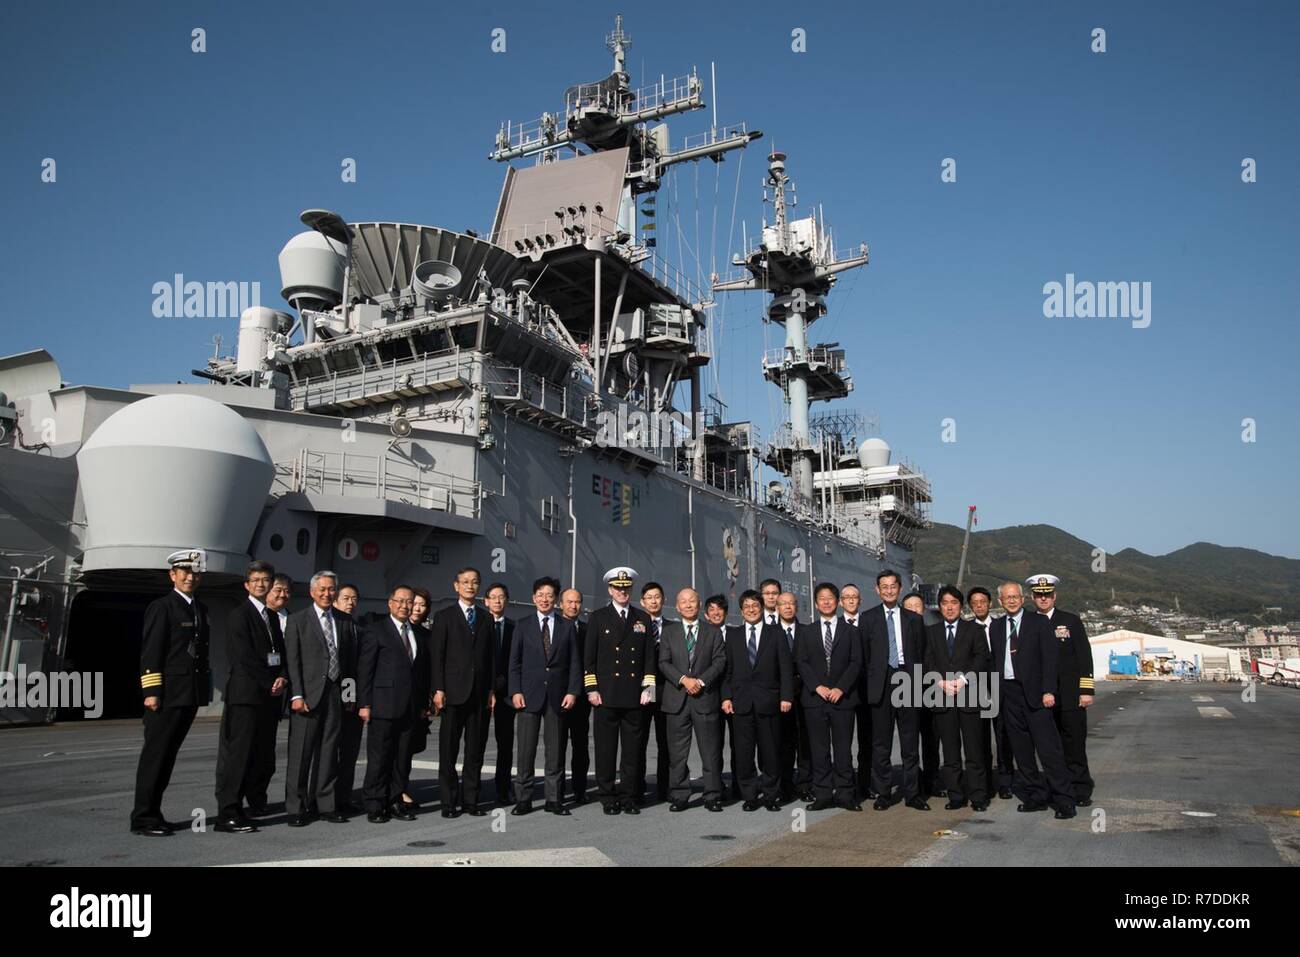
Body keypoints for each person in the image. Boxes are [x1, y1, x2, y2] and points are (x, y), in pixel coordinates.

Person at [130, 549, 212, 836]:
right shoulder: (162, 607)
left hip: (188, 695)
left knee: (168, 757)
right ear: (172, 575)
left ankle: (154, 812)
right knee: (156, 756)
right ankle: (143, 817)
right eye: (184, 572)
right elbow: (151, 651)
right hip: (165, 695)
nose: (190, 577)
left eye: (195, 572)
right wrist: (151, 691)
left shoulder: (199, 609)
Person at [989, 581, 1076, 819]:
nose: (1011, 600)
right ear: (1000, 601)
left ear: (1023, 598)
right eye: (1007, 597)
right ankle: (1035, 796)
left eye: (1015, 596)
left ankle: (1064, 799)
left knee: (1049, 750)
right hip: (1009, 694)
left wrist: (1049, 690)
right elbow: (994, 661)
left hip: (1036, 694)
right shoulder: (995, 627)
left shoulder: (1038, 622)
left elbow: (1050, 658)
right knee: (1022, 752)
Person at [213, 560, 284, 833]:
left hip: (267, 696)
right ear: (247, 584)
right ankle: (227, 812)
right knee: (238, 755)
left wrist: (282, 677)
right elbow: (243, 657)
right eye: (256, 580)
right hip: (246, 696)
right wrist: (270, 681)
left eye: (266, 580)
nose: (261, 584)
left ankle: (243, 806)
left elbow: (279, 655)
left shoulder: (272, 617)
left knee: (259, 756)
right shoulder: (239, 615)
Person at [283, 570, 355, 826]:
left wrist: (349, 696)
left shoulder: (345, 622)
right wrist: (297, 694)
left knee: (328, 752)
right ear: (312, 592)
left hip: (335, 695)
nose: (327, 593)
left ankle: (325, 804)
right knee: (300, 754)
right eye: (322, 589)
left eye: (331, 589)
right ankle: (296, 807)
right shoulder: (298, 621)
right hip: (308, 697)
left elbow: (350, 663)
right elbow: (293, 661)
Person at [584, 567, 656, 815]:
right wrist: (591, 688)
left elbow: (649, 658)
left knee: (632, 751)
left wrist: (650, 689)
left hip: (635, 696)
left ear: (631, 590)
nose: (622, 592)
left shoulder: (642, 618)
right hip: (605, 695)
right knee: (606, 749)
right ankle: (607, 796)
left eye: (626, 588)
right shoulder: (598, 617)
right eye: (617, 588)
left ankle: (629, 796)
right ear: (610, 590)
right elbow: (589, 658)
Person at [509, 577, 581, 815]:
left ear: (556, 600)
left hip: (558, 696)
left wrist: (572, 691)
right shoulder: (522, 625)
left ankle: (554, 799)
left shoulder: (567, 627)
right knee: (525, 750)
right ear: (533, 598)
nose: (544, 599)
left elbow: (574, 664)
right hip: (528, 695)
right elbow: (514, 663)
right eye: (540, 594)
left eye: (549, 595)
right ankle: (523, 799)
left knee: (556, 750)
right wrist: (515, 691)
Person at [357, 585, 427, 823]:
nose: (405, 606)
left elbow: (419, 671)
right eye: (400, 601)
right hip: (383, 704)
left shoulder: (417, 632)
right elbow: (365, 670)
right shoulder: (376, 630)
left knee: (402, 757)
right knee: (379, 756)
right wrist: (364, 703)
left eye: (409, 602)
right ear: (390, 603)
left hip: (410, 706)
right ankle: (375, 803)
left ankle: (395, 799)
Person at [862, 569, 929, 810]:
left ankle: (912, 794)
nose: (889, 590)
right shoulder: (868, 619)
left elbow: (921, 654)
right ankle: (883, 793)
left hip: (907, 678)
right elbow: (865, 656)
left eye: (893, 586)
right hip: (881, 682)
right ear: (877, 590)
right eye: (884, 586)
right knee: (881, 743)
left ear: (900, 588)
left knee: (910, 742)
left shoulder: (914, 619)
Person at [430, 567, 495, 817]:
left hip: (478, 694)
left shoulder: (485, 617)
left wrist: (490, 689)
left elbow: (490, 658)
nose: (470, 586)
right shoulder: (444, 616)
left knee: (475, 751)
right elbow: (438, 656)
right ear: (456, 586)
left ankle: (471, 801)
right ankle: (448, 802)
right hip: (452, 692)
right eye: (465, 582)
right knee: (448, 750)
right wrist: (438, 688)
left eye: (474, 582)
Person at [722, 589, 792, 811]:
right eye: (746, 607)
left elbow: (786, 669)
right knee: (743, 753)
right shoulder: (733, 635)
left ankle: (771, 795)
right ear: (741, 611)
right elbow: (728, 671)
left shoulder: (776, 633)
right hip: (741, 703)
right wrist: (726, 697)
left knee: (770, 751)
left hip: (769, 702)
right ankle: (750, 795)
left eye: (755, 606)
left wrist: (786, 697)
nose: (751, 610)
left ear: (762, 608)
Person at [1028, 574, 1095, 806]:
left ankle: (1080, 789)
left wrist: (1086, 691)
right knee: (1049, 749)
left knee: (1074, 746)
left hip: (1070, 697)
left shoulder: (1071, 621)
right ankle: (1057, 788)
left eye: (1047, 595)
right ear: (1032, 597)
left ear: (1054, 596)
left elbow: (1084, 657)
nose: (1043, 599)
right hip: (1042, 698)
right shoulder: (1027, 623)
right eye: (1039, 595)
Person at [795, 582, 862, 811]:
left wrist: (841, 688)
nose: (826, 602)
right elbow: (801, 662)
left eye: (830, 598)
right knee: (819, 749)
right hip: (815, 700)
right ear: (815, 603)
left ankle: (845, 793)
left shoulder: (852, 631)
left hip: (842, 699)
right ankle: (822, 793)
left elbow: (856, 662)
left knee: (843, 749)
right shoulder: (806, 631)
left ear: (838, 602)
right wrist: (817, 687)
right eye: (821, 598)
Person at [923, 586, 990, 811]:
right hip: (943, 698)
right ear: (939, 606)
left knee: (974, 751)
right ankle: (956, 796)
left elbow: (982, 659)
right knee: (950, 753)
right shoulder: (931, 632)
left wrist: (963, 679)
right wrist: (940, 682)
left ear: (961, 606)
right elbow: (927, 662)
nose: (949, 607)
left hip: (969, 696)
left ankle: (979, 796)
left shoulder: (974, 630)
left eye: (954, 602)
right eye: (945, 603)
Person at [659, 588, 726, 811]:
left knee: (710, 751)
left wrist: (700, 681)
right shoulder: (668, 632)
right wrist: (683, 680)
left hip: (704, 698)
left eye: (692, 601)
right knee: (677, 753)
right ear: (677, 607)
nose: (688, 605)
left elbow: (719, 661)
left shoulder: (713, 632)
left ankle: (713, 795)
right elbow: (664, 662)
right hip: (677, 699)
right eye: (683, 602)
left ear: (699, 606)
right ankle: (679, 794)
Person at [967, 586, 1010, 800]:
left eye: (983, 601)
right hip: (979, 689)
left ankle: (1005, 781)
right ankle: (985, 783)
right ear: (970, 606)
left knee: (1003, 735)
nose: (979, 605)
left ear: (990, 603)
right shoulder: (967, 629)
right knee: (981, 738)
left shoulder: (1001, 626)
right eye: (974, 603)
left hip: (1000, 686)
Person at [635, 581, 671, 804]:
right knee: (638, 740)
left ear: (663, 600)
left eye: (657, 596)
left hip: (666, 688)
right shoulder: (635, 624)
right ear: (642, 601)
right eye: (649, 597)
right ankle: (637, 787)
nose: (654, 601)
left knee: (665, 741)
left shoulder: (672, 627)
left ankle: (665, 787)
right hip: (642, 689)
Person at [775, 591, 812, 802]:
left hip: (805, 695)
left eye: (791, 603)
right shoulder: (771, 633)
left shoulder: (807, 631)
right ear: (777, 608)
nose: (788, 607)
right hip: (780, 697)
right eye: (783, 604)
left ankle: (805, 784)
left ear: (796, 606)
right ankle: (785, 786)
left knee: (805, 743)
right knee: (783, 743)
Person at [839, 582, 875, 801]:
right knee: (842, 742)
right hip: (842, 692)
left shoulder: (869, 624)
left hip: (865, 690)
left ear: (860, 601)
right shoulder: (835, 625)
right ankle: (844, 783)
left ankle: (865, 783)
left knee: (867, 740)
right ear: (841, 601)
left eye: (855, 597)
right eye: (847, 597)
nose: (851, 600)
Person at [332, 582, 365, 816]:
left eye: (354, 598)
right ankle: (326, 798)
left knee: (349, 752)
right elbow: (343, 667)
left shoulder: (357, 627)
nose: (350, 603)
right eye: (345, 598)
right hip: (338, 699)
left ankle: (343, 797)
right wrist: (348, 696)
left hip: (351, 699)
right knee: (329, 753)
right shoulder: (334, 626)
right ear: (335, 600)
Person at [703, 593, 739, 798]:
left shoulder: (735, 634)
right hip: (709, 697)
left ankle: (738, 784)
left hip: (734, 697)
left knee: (738, 744)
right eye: (712, 610)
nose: (716, 613)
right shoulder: (702, 634)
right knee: (713, 745)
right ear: (706, 614)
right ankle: (716, 785)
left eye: (720, 609)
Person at [485, 582, 516, 806]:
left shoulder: (515, 628)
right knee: (474, 743)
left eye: (501, 597)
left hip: (506, 693)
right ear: (485, 601)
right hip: (479, 692)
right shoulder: (476, 625)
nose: (497, 601)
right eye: (493, 597)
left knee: (505, 743)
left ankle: (503, 787)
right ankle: (470, 789)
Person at [559, 587, 591, 804]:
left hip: (581, 698)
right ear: (561, 604)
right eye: (569, 602)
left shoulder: (587, 630)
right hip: (558, 697)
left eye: (577, 602)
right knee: (557, 745)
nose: (573, 606)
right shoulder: (554, 628)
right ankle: (558, 790)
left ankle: (580, 789)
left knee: (580, 745)